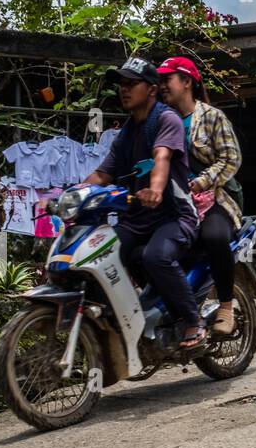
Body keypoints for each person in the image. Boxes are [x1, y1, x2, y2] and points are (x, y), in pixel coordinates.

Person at [83, 57, 204, 348]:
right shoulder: (126, 132)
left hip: (173, 217)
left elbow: (162, 157)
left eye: (131, 83)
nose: (123, 90)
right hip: (137, 220)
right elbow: (102, 173)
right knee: (96, 253)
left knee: (155, 256)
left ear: (151, 89)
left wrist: (156, 189)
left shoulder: (166, 119)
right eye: (121, 85)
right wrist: (71, 195)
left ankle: (192, 321)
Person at [156, 56, 243, 338]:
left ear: (187, 82)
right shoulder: (158, 120)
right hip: (174, 206)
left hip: (213, 201)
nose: (162, 86)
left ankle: (227, 308)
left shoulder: (212, 117)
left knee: (215, 238)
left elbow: (231, 158)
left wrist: (201, 182)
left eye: (167, 79)